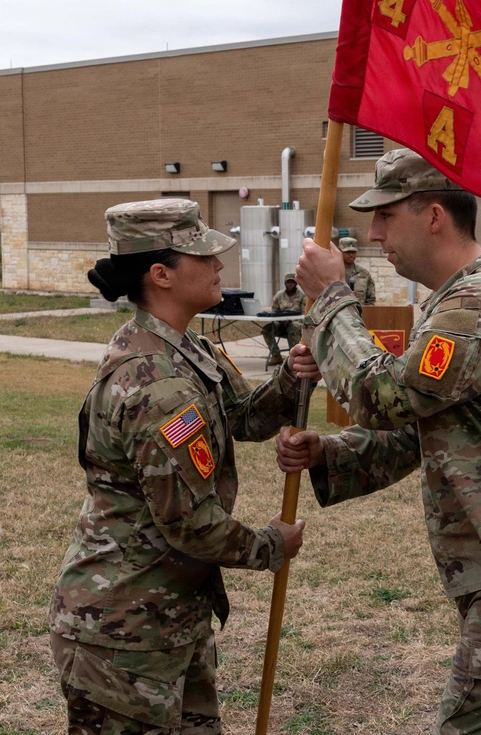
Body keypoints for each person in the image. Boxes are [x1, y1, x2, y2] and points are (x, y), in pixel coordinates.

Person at [276, 149, 481, 734]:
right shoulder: (459, 298)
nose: (374, 233)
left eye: (386, 215)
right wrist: (329, 453)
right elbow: (423, 427)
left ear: (434, 216)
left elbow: (383, 395)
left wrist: (332, 299)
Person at [49, 199, 315, 735]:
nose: (219, 264)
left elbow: (243, 417)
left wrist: (291, 376)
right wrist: (270, 545)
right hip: (124, 632)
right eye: (204, 256)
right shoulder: (156, 383)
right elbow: (188, 523)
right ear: (161, 275)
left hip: (168, 616)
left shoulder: (186, 348)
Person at [262, 272, 306, 365]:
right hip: (281, 324)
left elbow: (304, 315)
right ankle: (276, 356)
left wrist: (291, 321)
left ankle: (294, 357)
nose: (290, 284)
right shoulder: (279, 295)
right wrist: (280, 321)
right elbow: (274, 311)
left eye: (292, 282)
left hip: (296, 325)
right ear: (285, 283)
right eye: (288, 282)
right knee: (267, 329)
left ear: (296, 283)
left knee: (293, 326)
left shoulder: (302, 296)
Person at [339, 236, 376, 304]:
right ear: (340, 252)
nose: (351, 255)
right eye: (348, 252)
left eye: (353, 252)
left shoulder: (364, 274)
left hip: (360, 310)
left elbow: (371, 300)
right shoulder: (334, 272)